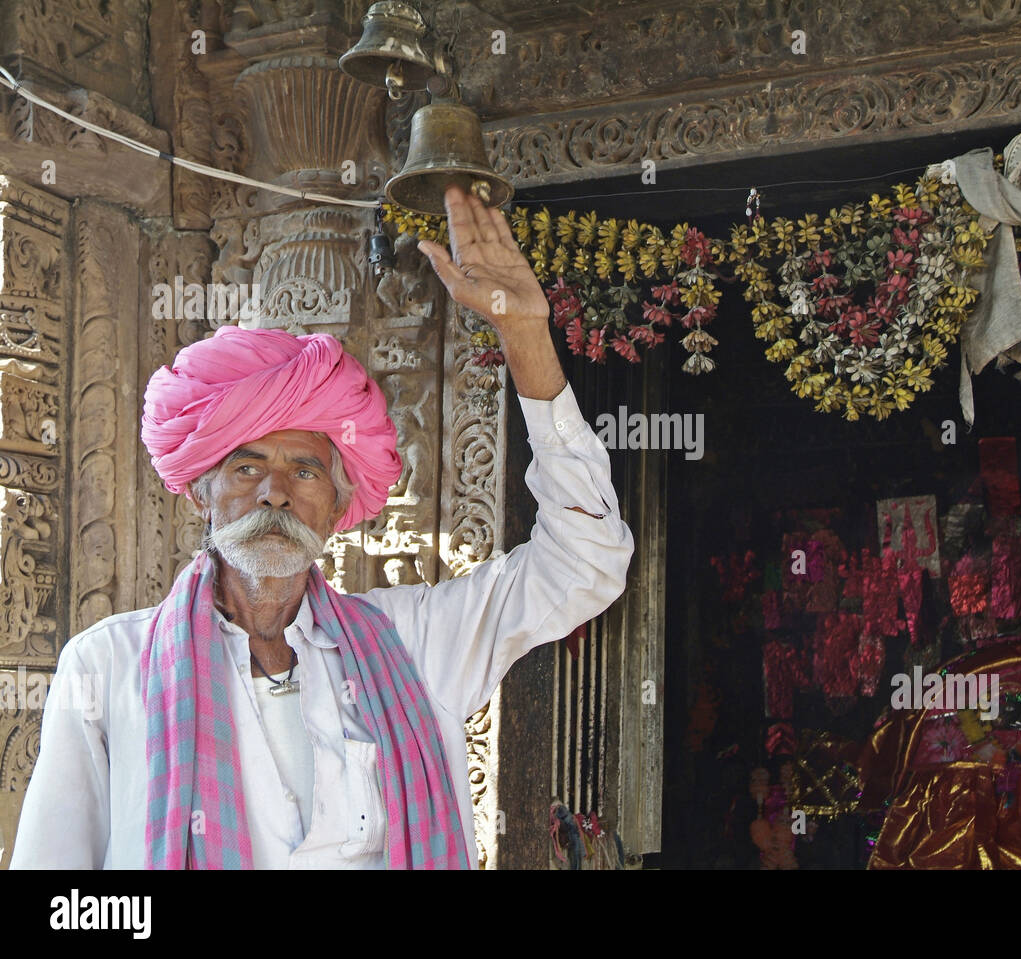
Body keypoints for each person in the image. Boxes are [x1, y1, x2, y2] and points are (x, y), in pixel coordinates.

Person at [10, 185, 634, 869]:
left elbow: (584, 561)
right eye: (247, 468)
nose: (275, 492)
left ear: (336, 506)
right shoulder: (106, 667)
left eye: (305, 471)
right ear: (198, 492)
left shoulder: (417, 642)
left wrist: (522, 332)